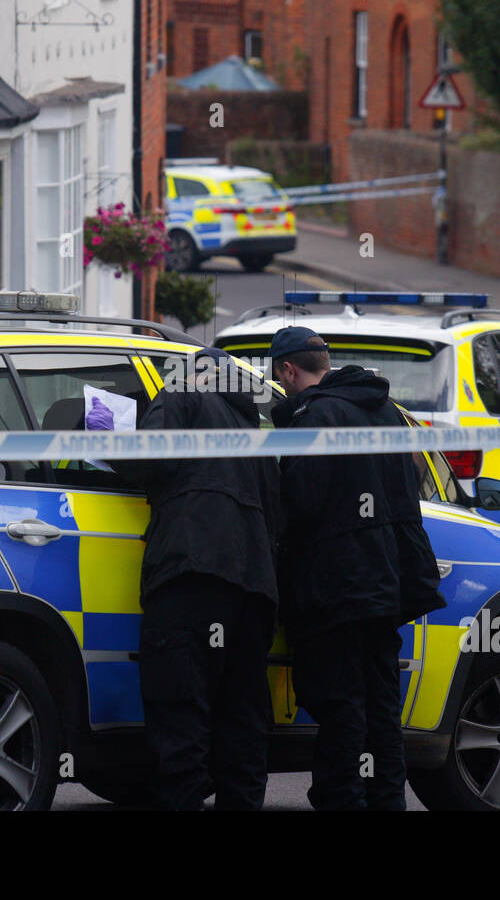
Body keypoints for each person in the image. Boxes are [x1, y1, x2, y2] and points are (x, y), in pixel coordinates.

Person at [91, 347, 281, 810]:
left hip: (190, 572)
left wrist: (103, 437)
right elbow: (278, 516)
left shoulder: (182, 396)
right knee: (242, 719)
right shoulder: (255, 433)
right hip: (253, 587)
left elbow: (147, 459)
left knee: (180, 712)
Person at [268, 326, 445, 811]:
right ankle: (387, 801)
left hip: (337, 587)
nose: (282, 388)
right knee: (381, 709)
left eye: (279, 377)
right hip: (386, 583)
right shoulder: (383, 410)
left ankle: (340, 798)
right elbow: (411, 481)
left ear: (289, 369)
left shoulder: (315, 417)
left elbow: (298, 503)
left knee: (340, 707)